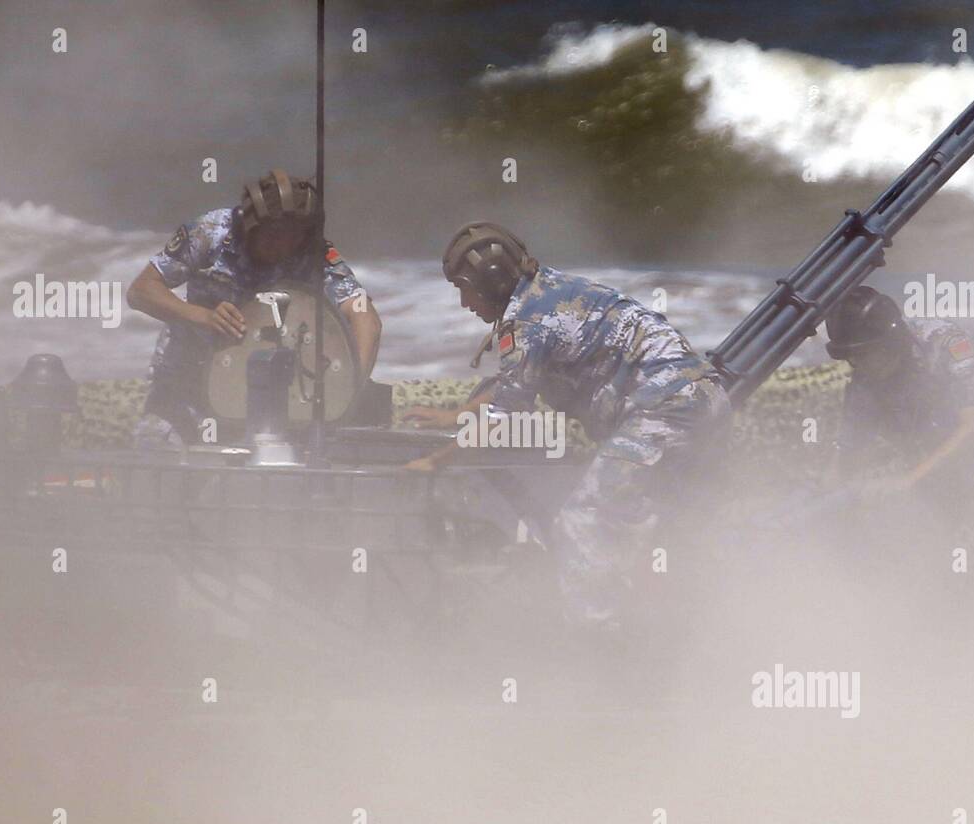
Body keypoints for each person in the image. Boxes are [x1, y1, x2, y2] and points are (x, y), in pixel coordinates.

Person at [403, 222, 729, 628]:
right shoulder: (545, 292)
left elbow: (505, 414)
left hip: (665, 408)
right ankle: (668, 622)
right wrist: (456, 417)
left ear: (490, 282)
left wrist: (436, 462)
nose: (465, 302)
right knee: (654, 519)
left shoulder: (528, 324)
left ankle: (599, 641)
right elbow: (516, 385)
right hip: (688, 400)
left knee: (584, 517)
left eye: (464, 288)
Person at [126, 169, 381, 449]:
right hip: (185, 382)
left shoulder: (313, 251)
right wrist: (202, 316)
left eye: (293, 236)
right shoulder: (210, 233)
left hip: (262, 394)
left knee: (257, 483)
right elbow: (141, 291)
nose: (283, 246)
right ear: (251, 226)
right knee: (157, 464)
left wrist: (350, 386)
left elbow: (364, 316)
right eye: (273, 236)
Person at [827, 286, 974, 576]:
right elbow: (849, 448)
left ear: (893, 339)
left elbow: (973, 426)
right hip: (951, 474)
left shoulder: (947, 344)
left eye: (869, 353)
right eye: (855, 357)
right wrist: (830, 498)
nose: (863, 365)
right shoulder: (865, 379)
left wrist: (907, 481)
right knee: (932, 566)